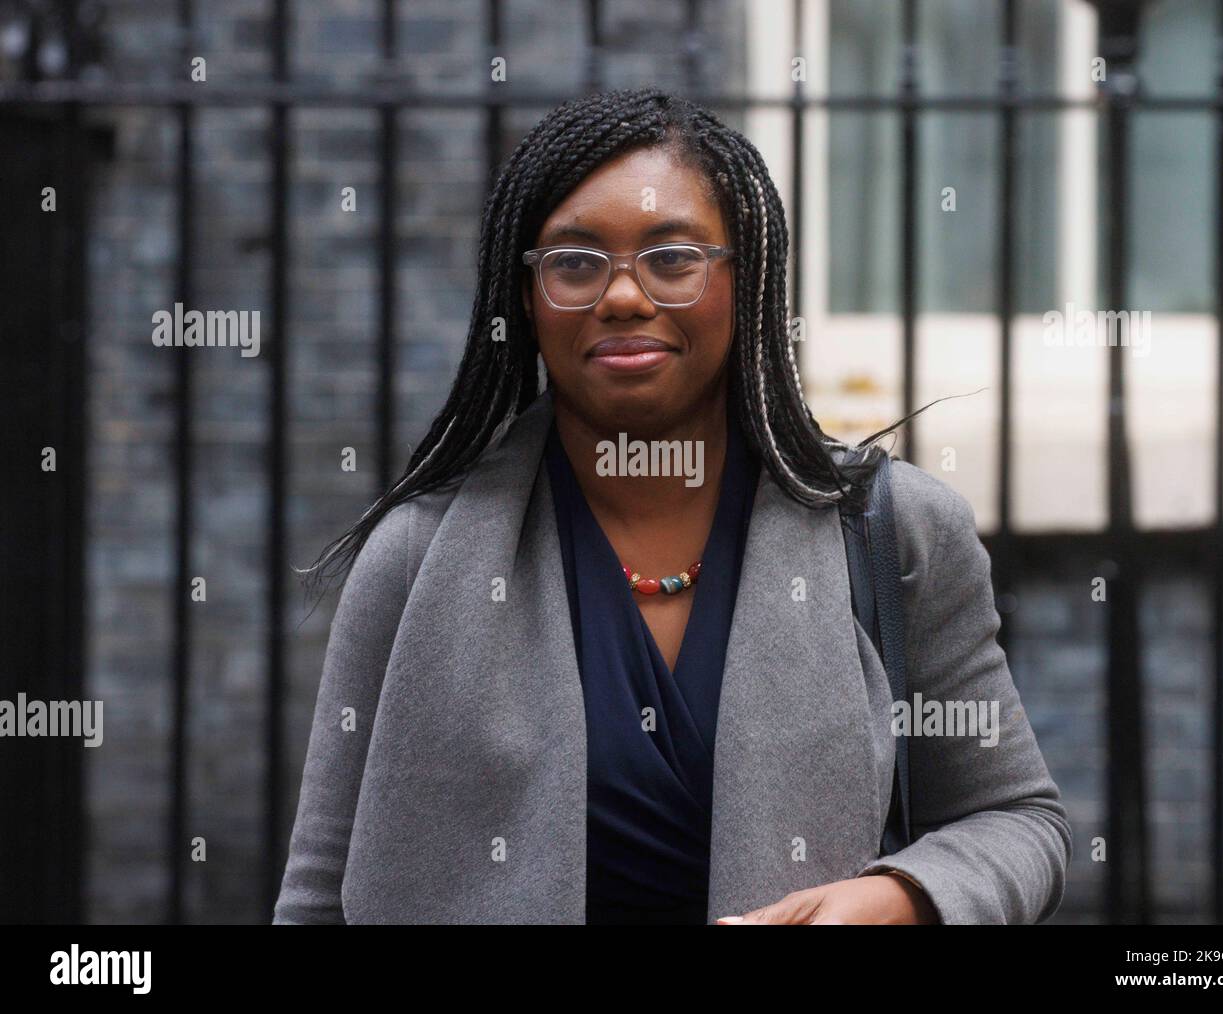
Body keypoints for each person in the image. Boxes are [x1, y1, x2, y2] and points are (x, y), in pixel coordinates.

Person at [273, 87, 1072, 925]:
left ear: (746, 280)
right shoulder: (415, 558)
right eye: (576, 263)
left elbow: (1018, 820)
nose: (622, 296)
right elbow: (322, 896)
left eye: (674, 257)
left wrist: (899, 898)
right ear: (528, 300)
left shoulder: (890, 532)